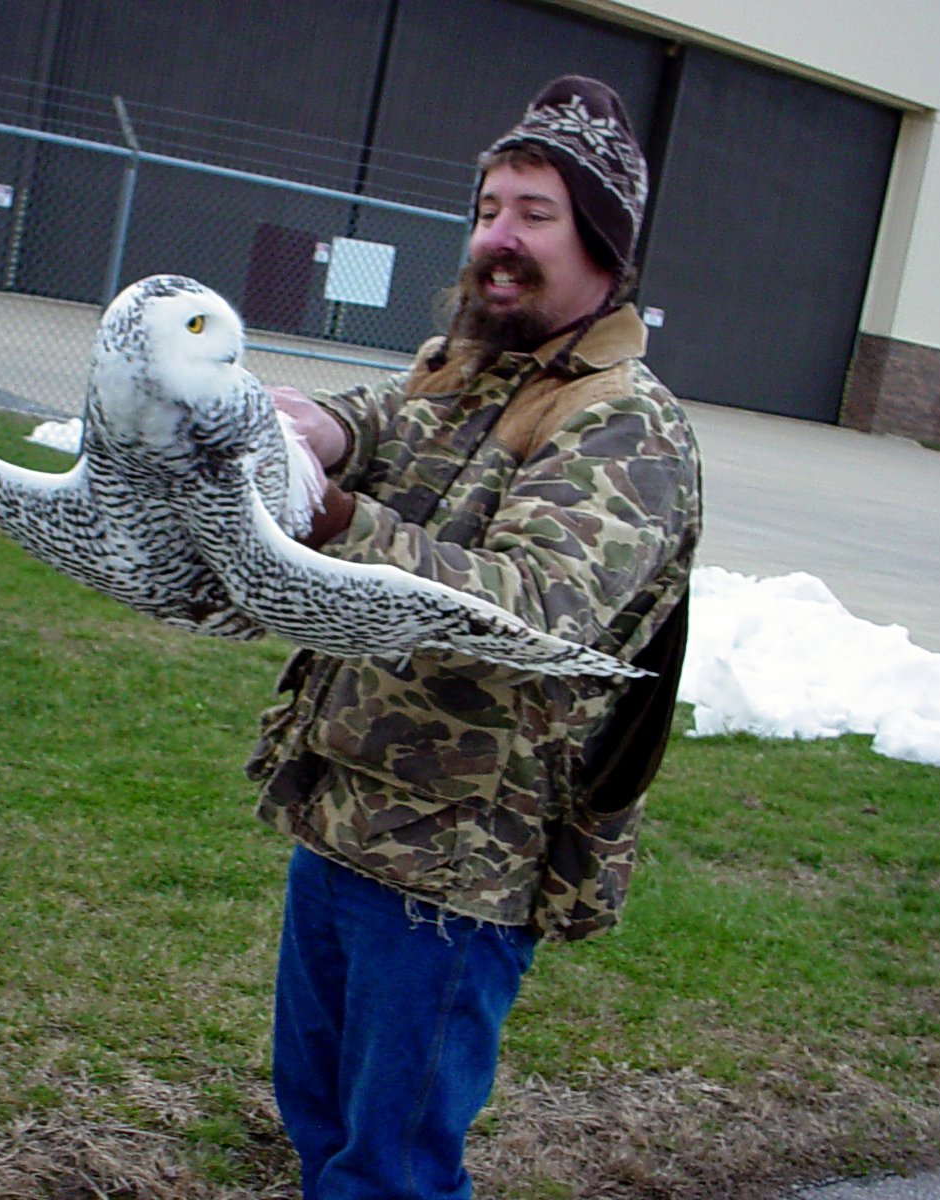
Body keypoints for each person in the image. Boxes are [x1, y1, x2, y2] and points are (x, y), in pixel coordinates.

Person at [250, 75, 702, 1200]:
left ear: (603, 245)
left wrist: (341, 522)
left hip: (456, 866)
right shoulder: (463, 362)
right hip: (346, 810)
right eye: (488, 206)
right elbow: (384, 420)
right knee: (316, 1119)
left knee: (393, 1165)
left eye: (534, 215)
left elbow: (533, 612)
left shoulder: (626, 427)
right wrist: (322, 427)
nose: (497, 237)